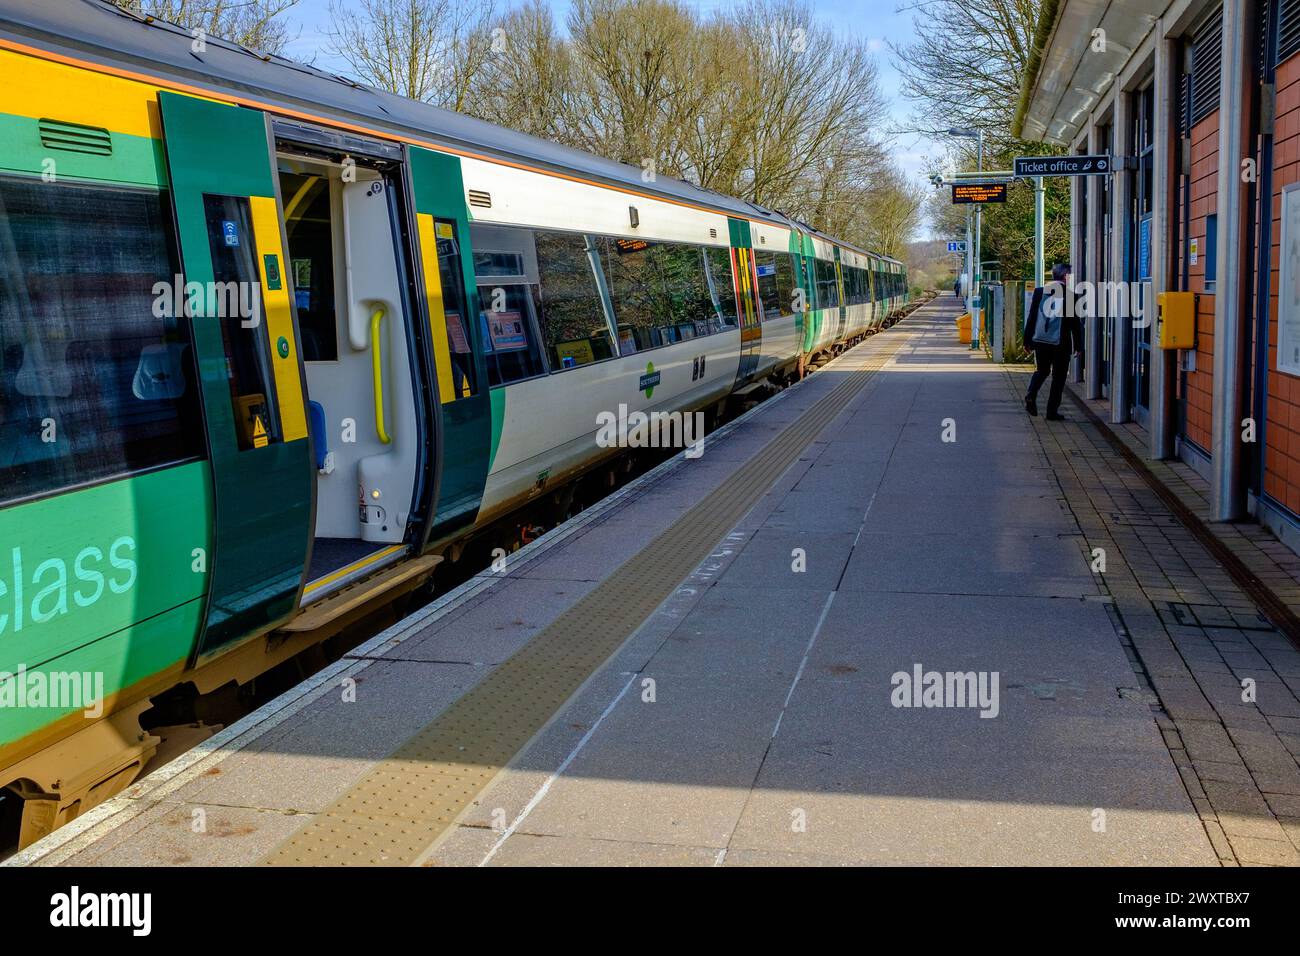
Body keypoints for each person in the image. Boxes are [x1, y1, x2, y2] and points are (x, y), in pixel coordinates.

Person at [1023, 262, 1083, 421]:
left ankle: (1031, 393)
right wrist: (1079, 345)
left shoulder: (1039, 292)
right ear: (1065, 276)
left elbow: (1032, 316)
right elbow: (1075, 323)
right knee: (1059, 377)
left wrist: (1027, 341)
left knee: (1042, 370)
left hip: (1040, 340)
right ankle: (1051, 412)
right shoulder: (1070, 295)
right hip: (1060, 344)